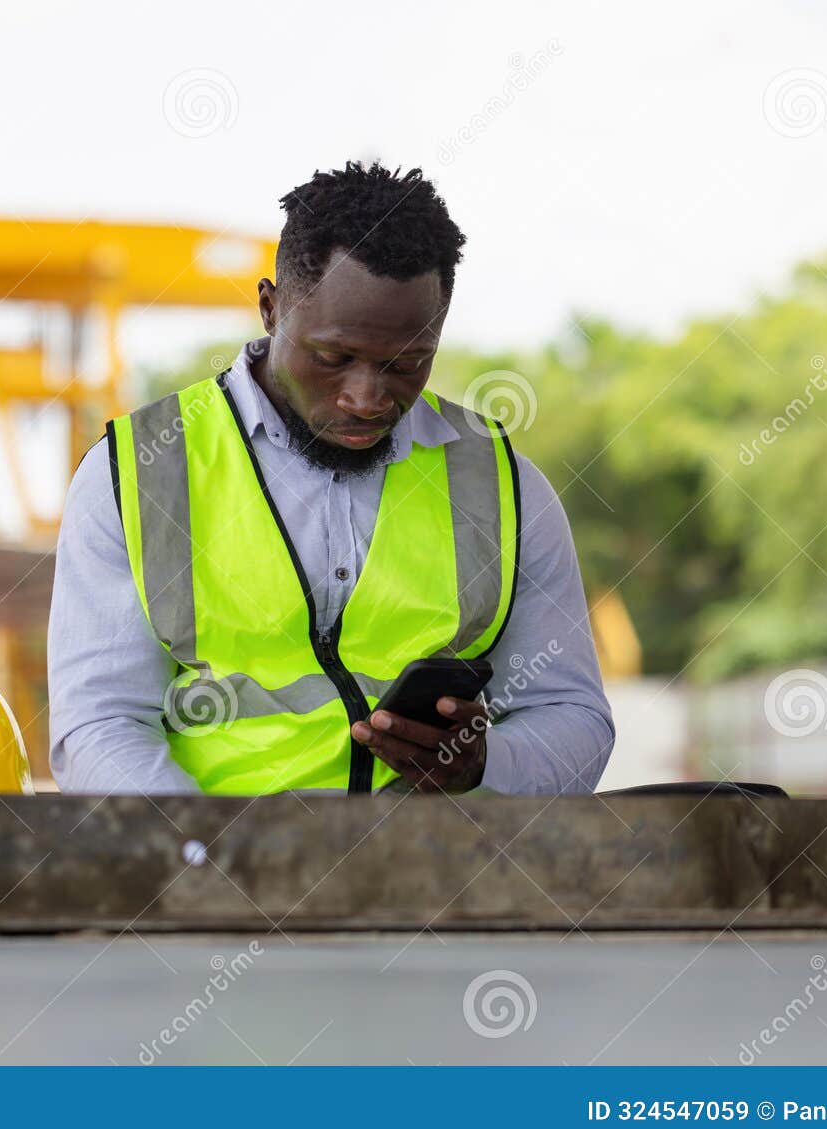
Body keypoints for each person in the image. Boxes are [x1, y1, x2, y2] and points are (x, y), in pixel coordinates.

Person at [48, 161, 613, 795]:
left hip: (439, 879)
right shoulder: (139, 475)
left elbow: (573, 718)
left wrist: (488, 768)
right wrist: (206, 864)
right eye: (332, 358)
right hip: (218, 867)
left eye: (406, 363)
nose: (366, 397)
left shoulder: (505, 486)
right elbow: (98, 726)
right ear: (270, 307)